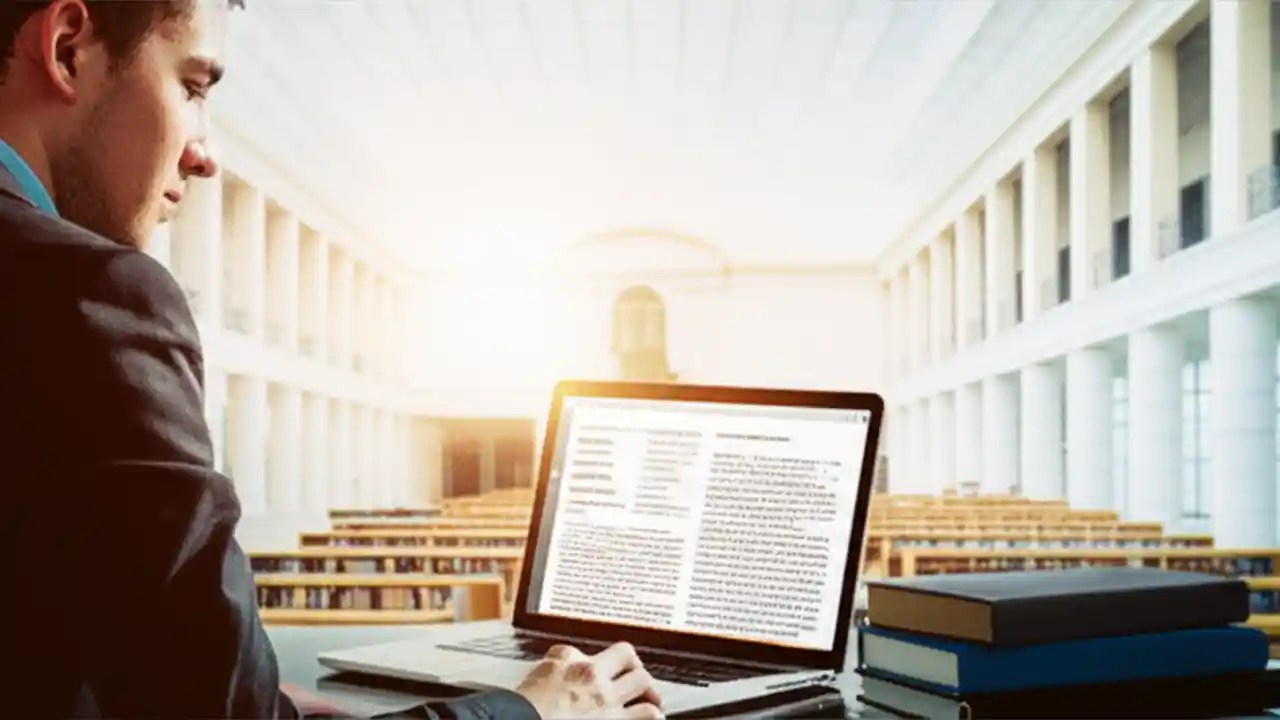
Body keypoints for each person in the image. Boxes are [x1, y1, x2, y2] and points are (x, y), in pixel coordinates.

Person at [0, 1, 662, 718]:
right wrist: (532, 713)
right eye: (193, 87)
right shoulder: (92, 295)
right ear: (68, 48)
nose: (205, 153)